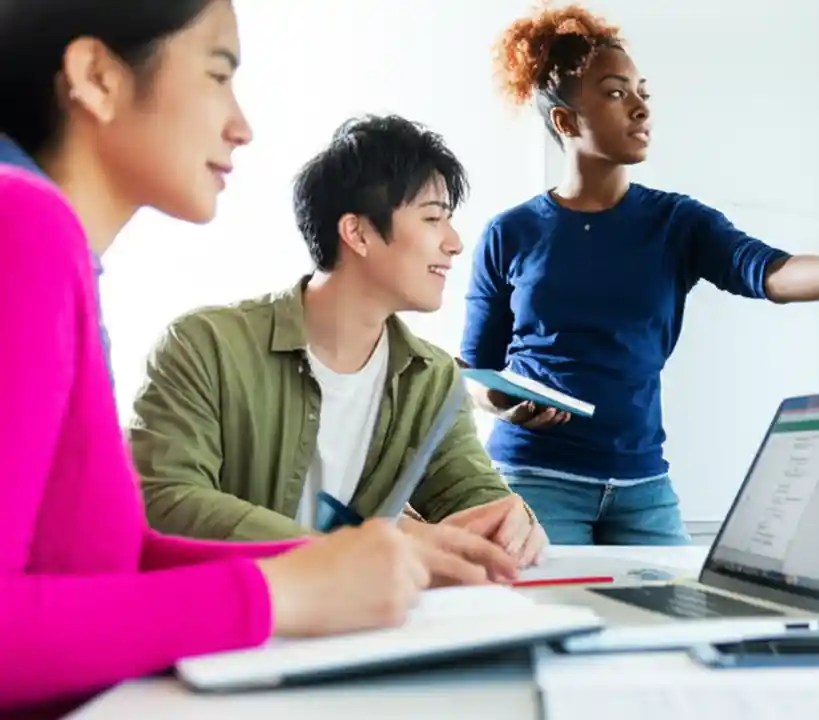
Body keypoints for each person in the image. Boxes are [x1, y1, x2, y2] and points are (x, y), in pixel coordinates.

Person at [0, 2, 514, 715]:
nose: (242, 125)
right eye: (218, 74)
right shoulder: (23, 227)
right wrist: (286, 591)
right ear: (96, 76)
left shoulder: (52, 251)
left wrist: (338, 566)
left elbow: (110, 561)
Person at [461, 4, 819, 546]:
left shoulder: (677, 222)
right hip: (537, 479)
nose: (640, 108)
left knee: (670, 627)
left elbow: (773, 273)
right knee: (551, 629)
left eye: (643, 93)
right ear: (566, 121)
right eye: (615, 93)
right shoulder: (509, 233)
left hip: (643, 487)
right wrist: (505, 404)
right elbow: (476, 372)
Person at [129, 114, 548, 567]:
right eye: (433, 219)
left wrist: (513, 522)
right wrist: (342, 554)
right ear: (358, 233)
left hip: (363, 629)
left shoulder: (431, 379)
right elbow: (164, 500)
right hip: (233, 619)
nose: (454, 243)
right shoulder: (204, 346)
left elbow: (472, 496)